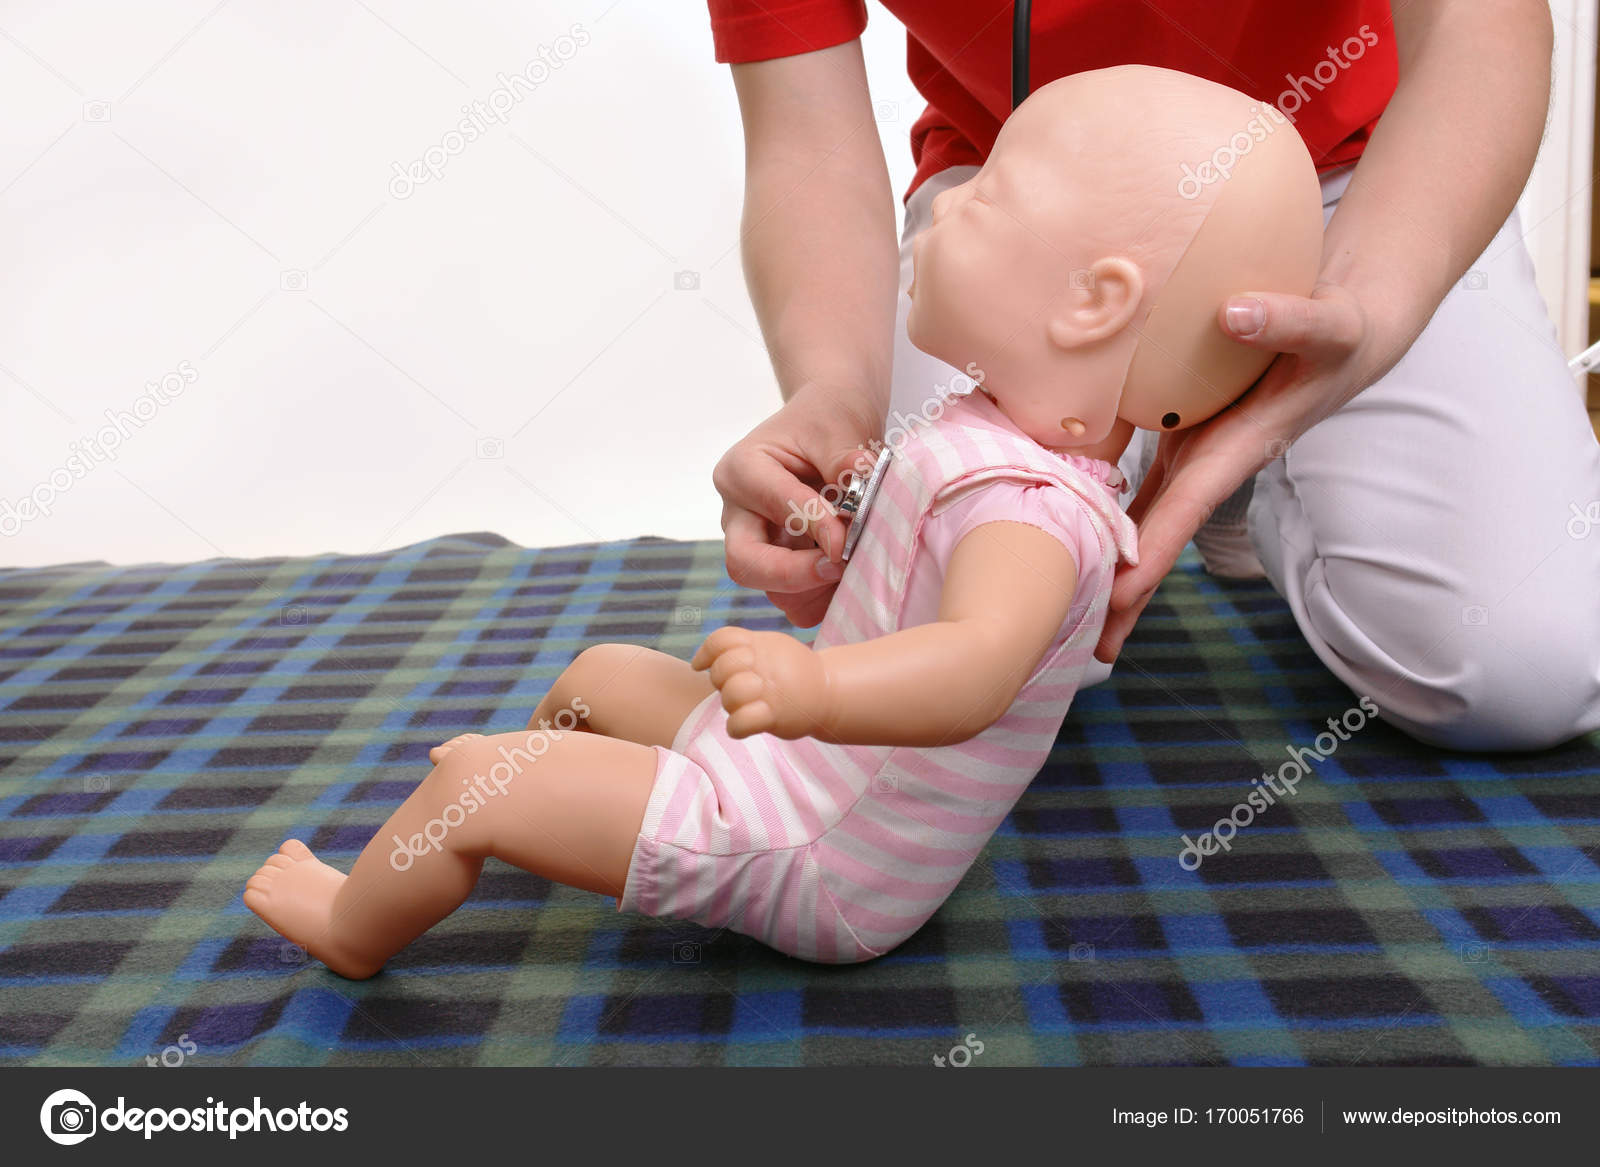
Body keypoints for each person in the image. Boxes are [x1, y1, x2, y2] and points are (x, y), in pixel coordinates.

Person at [706, 0, 1600, 750]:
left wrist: (1375, 303)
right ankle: (1158, 453)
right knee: (908, 642)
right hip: (1026, 188)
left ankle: (1268, 483)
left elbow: (1479, 24)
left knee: (1518, 669)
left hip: (1368, 176)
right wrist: (834, 389)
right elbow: (805, 139)